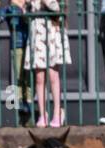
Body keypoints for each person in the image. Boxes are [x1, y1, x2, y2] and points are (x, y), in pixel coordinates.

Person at [29, 0, 71, 128]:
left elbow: (57, 7)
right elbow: (29, 11)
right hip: (37, 32)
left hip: (52, 30)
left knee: (53, 75)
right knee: (39, 77)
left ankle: (57, 113)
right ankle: (43, 114)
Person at [0, 1, 35, 125]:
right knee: (18, 78)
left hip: (31, 44)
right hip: (17, 45)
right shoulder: (10, 8)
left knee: (30, 78)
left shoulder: (29, 6)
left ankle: (30, 108)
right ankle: (20, 111)